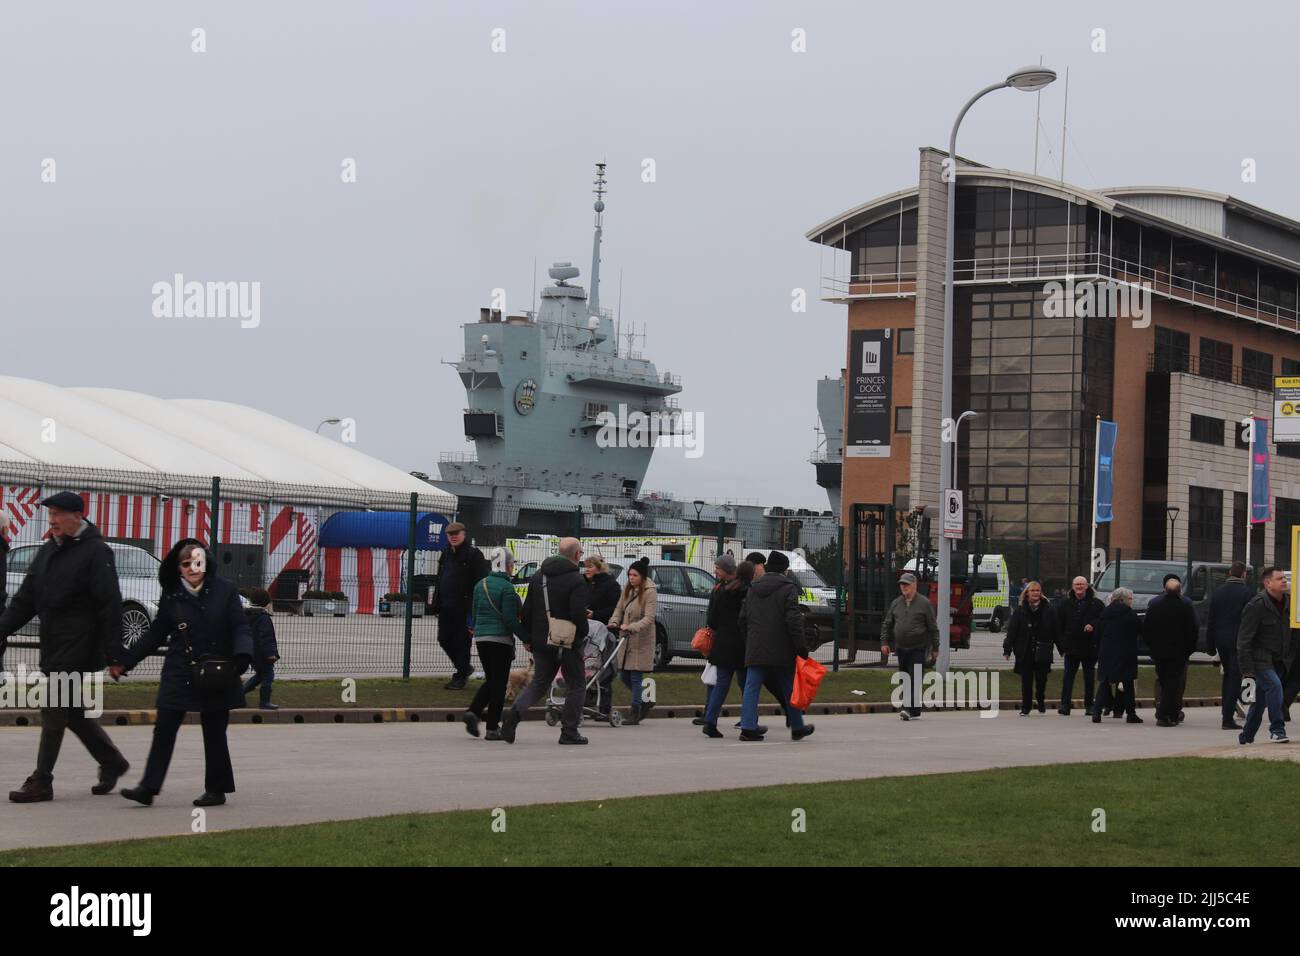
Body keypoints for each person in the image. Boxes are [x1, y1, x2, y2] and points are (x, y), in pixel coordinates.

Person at [1, 492, 131, 803]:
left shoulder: (97, 552)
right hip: (55, 644)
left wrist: (115, 655)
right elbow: (24, 601)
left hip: (81, 646)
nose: (53, 520)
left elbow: (110, 605)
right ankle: (113, 761)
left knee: (54, 707)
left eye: (59, 514)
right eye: (51, 515)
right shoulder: (48, 551)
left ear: (77, 516)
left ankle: (42, 780)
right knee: (72, 713)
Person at [113, 539, 253, 806]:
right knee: (164, 727)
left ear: (206, 562)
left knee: (214, 731)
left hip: (217, 670)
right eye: (186, 563)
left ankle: (216, 789)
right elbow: (154, 635)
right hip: (180, 670)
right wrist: (126, 661)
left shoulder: (225, 590)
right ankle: (148, 787)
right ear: (178, 568)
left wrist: (243, 656)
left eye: (197, 562)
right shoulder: (172, 594)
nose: (192, 568)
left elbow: (240, 627)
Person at [500, 537, 590, 745]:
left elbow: (527, 611)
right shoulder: (576, 579)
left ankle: (514, 714)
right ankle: (569, 731)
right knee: (577, 684)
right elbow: (578, 614)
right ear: (577, 555)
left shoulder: (538, 576)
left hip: (541, 641)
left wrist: (529, 638)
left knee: (539, 683)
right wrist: (582, 634)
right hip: (567, 641)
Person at [737, 550, 814, 741]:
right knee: (789, 687)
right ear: (785, 570)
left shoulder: (753, 588)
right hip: (782, 649)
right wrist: (801, 647)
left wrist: (750, 641)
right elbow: (793, 622)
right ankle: (797, 726)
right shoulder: (789, 588)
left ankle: (747, 726)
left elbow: (742, 620)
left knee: (751, 687)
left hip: (755, 647)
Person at [463, 548, 530, 740]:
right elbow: (510, 620)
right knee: (499, 685)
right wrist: (526, 638)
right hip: (500, 640)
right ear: (508, 565)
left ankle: (473, 712)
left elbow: (474, 614)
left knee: (493, 681)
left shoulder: (479, 585)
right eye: (512, 564)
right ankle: (492, 728)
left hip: (482, 639)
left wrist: (480, 629)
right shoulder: (507, 588)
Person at [1237, 566, 1291, 745]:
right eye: (1279, 578)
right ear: (1268, 584)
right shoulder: (1256, 605)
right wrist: (1247, 670)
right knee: (1275, 687)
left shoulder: (1290, 603)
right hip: (1259, 660)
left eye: (1284, 578)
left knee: (1259, 701)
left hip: (1279, 660)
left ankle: (1246, 736)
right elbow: (1243, 641)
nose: (1284, 581)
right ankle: (1277, 729)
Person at [433, 521, 488, 690]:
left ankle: (460, 676)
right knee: (443, 639)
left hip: (464, 608)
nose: (454, 537)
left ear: (464, 534)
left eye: (457, 534)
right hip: (446, 606)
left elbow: (481, 581)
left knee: (462, 642)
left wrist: (475, 606)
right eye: (450, 534)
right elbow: (440, 578)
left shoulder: (474, 554)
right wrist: (436, 601)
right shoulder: (446, 553)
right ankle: (464, 668)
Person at [700, 555, 750, 738]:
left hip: (722, 643)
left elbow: (712, 620)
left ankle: (710, 720)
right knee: (747, 685)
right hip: (742, 643)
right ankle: (749, 720)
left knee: (721, 684)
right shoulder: (746, 590)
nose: (715, 571)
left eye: (718, 568)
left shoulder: (719, 590)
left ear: (726, 570)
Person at [881, 571, 939, 720]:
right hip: (901, 648)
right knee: (904, 678)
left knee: (914, 678)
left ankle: (908, 709)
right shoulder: (896, 603)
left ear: (914, 585)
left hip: (918, 648)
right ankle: (915, 710)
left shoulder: (924, 603)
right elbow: (887, 623)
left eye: (906, 584)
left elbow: (933, 627)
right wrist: (885, 642)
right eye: (901, 584)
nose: (903, 587)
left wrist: (935, 648)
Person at [1143, 573, 1198, 727]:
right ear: (1180, 590)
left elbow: (1147, 628)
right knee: (1173, 683)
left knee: (1163, 680)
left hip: (1159, 652)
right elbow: (1193, 630)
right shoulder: (1186, 606)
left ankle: (1169, 713)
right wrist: (1189, 650)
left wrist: (1151, 647)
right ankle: (1164, 714)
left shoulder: (1155, 605)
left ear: (1164, 589)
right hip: (1179, 653)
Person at [608, 557, 658, 725]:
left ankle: (635, 710)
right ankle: (645, 700)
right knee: (623, 675)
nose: (631, 578)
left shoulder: (650, 592)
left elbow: (649, 618)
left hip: (641, 639)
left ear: (642, 576)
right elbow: (619, 608)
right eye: (630, 574)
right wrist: (615, 621)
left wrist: (632, 626)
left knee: (636, 676)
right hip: (626, 638)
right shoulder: (627, 589)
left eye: (635, 575)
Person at [1002, 581, 1062, 716]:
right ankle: (1026, 706)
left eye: (1038, 591)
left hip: (1043, 649)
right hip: (1025, 649)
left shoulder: (1049, 610)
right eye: (1033, 590)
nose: (1036, 593)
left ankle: (1040, 699)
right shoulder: (1020, 611)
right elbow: (1012, 631)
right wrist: (1007, 649)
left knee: (1041, 680)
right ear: (1027, 593)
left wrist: (1061, 648)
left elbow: (1056, 631)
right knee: (1026, 680)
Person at [1205, 562, 1252, 730]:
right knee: (1234, 677)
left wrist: (1210, 645)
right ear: (1244, 575)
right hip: (1239, 641)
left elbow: (1211, 620)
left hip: (1221, 641)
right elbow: (1250, 621)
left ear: (1230, 573)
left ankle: (1227, 713)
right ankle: (1227, 718)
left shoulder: (1218, 592)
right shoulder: (1247, 593)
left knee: (1228, 677)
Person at [1054, 576, 1104, 716]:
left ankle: (1089, 705)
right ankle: (1065, 704)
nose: (1079, 587)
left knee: (1089, 678)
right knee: (1068, 677)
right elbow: (1059, 626)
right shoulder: (1064, 603)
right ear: (1072, 586)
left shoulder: (1097, 604)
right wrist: (1061, 647)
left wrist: (1093, 625)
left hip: (1089, 646)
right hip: (1071, 647)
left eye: (1082, 584)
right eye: (1076, 584)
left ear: (1087, 586)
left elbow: (1102, 620)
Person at [1093, 588, 1143, 723]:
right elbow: (1139, 630)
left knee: (1105, 682)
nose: (1131, 601)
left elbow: (1097, 634)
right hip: (1126, 652)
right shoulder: (1130, 615)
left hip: (1107, 652)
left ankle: (1096, 712)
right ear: (1124, 599)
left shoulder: (1104, 613)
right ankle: (1131, 713)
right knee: (1127, 683)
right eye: (1131, 599)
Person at [583, 556, 622, 721]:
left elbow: (616, 608)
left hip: (605, 631)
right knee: (586, 666)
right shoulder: (585, 584)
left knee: (604, 670)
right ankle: (586, 702)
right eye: (585, 567)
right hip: (587, 632)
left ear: (598, 568)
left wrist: (595, 614)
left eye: (590, 567)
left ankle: (605, 707)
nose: (586, 570)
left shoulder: (610, 585)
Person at [240, 588, 280, 710]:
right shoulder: (263, 618)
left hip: (253, 652)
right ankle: (264, 701)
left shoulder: (248, 615)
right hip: (263, 654)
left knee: (259, 676)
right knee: (268, 677)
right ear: (266, 603)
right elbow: (266, 638)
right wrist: (270, 654)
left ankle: (239, 694)